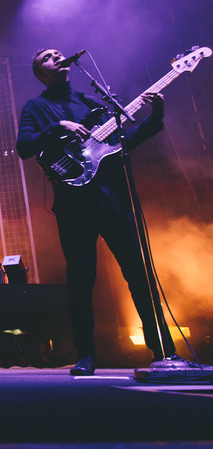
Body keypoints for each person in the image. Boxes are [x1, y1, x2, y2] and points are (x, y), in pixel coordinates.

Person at [16, 48, 178, 376]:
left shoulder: (93, 103)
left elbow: (120, 144)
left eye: (59, 53)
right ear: (41, 73)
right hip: (74, 203)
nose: (57, 56)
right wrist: (59, 126)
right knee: (81, 279)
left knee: (139, 273)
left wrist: (155, 118)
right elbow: (24, 147)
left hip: (113, 200)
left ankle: (163, 350)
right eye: (48, 57)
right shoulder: (36, 107)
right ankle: (86, 355)